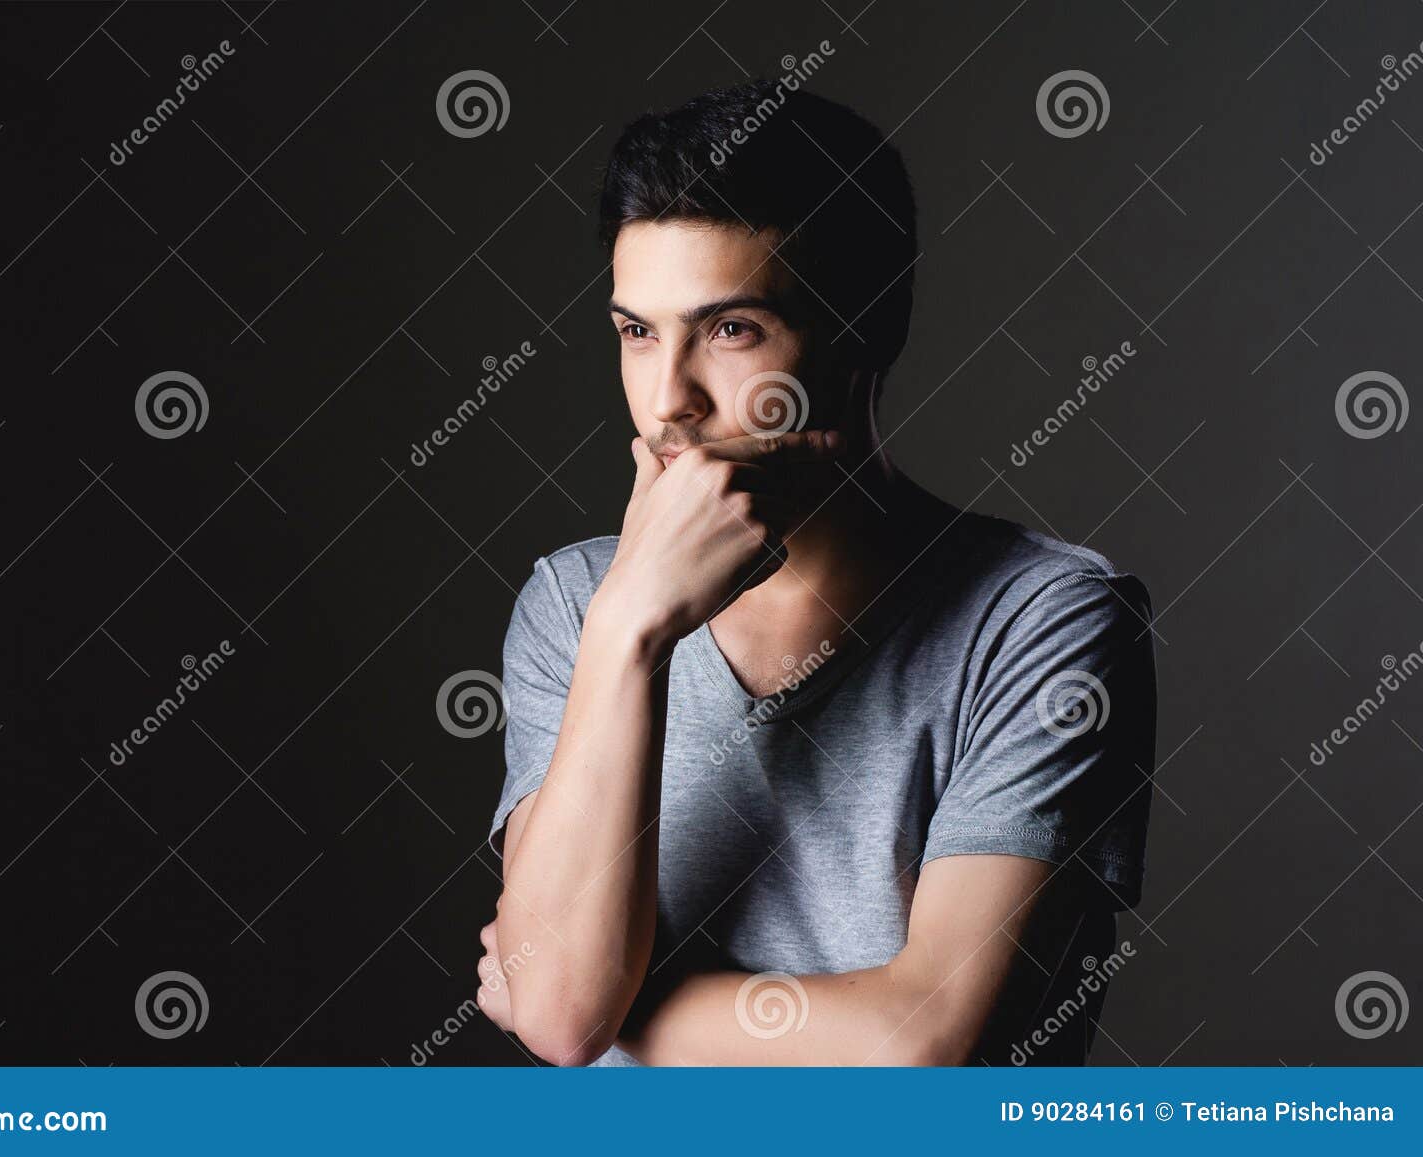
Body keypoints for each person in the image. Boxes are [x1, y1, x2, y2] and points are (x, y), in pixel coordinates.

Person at [476, 79, 1157, 1066]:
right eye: (636, 332)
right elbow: (565, 1010)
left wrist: (627, 1007)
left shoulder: (1043, 618)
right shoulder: (579, 602)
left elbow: (927, 1044)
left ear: (859, 336)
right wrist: (632, 626)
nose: (667, 399)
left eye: (730, 329)